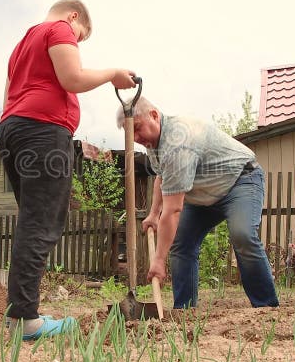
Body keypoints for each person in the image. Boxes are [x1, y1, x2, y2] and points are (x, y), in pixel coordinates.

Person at [0, 0, 136, 340]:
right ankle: (25, 321)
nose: (78, 41)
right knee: (41, 223)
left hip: (12, 130)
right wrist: (112, 75)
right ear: (74, 17)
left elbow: (9, 99)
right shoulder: (59, 29)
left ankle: (21, 314)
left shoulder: (21, 46)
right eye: (81, 36)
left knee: (32, 219)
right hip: (43, 131)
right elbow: (72, 78)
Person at [116, 96, 278, 309]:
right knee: (181, 242)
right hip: (202, 194)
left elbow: (173, 210)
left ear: (154, 115)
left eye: (137, 129)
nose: (136, 137)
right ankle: (185, 310)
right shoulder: (153, 142)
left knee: (243, 235)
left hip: (239, 181)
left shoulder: (178, 141)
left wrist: (158, 260)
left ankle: (266, 307)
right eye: (131, 134)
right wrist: (154, 213)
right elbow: (161, 176)